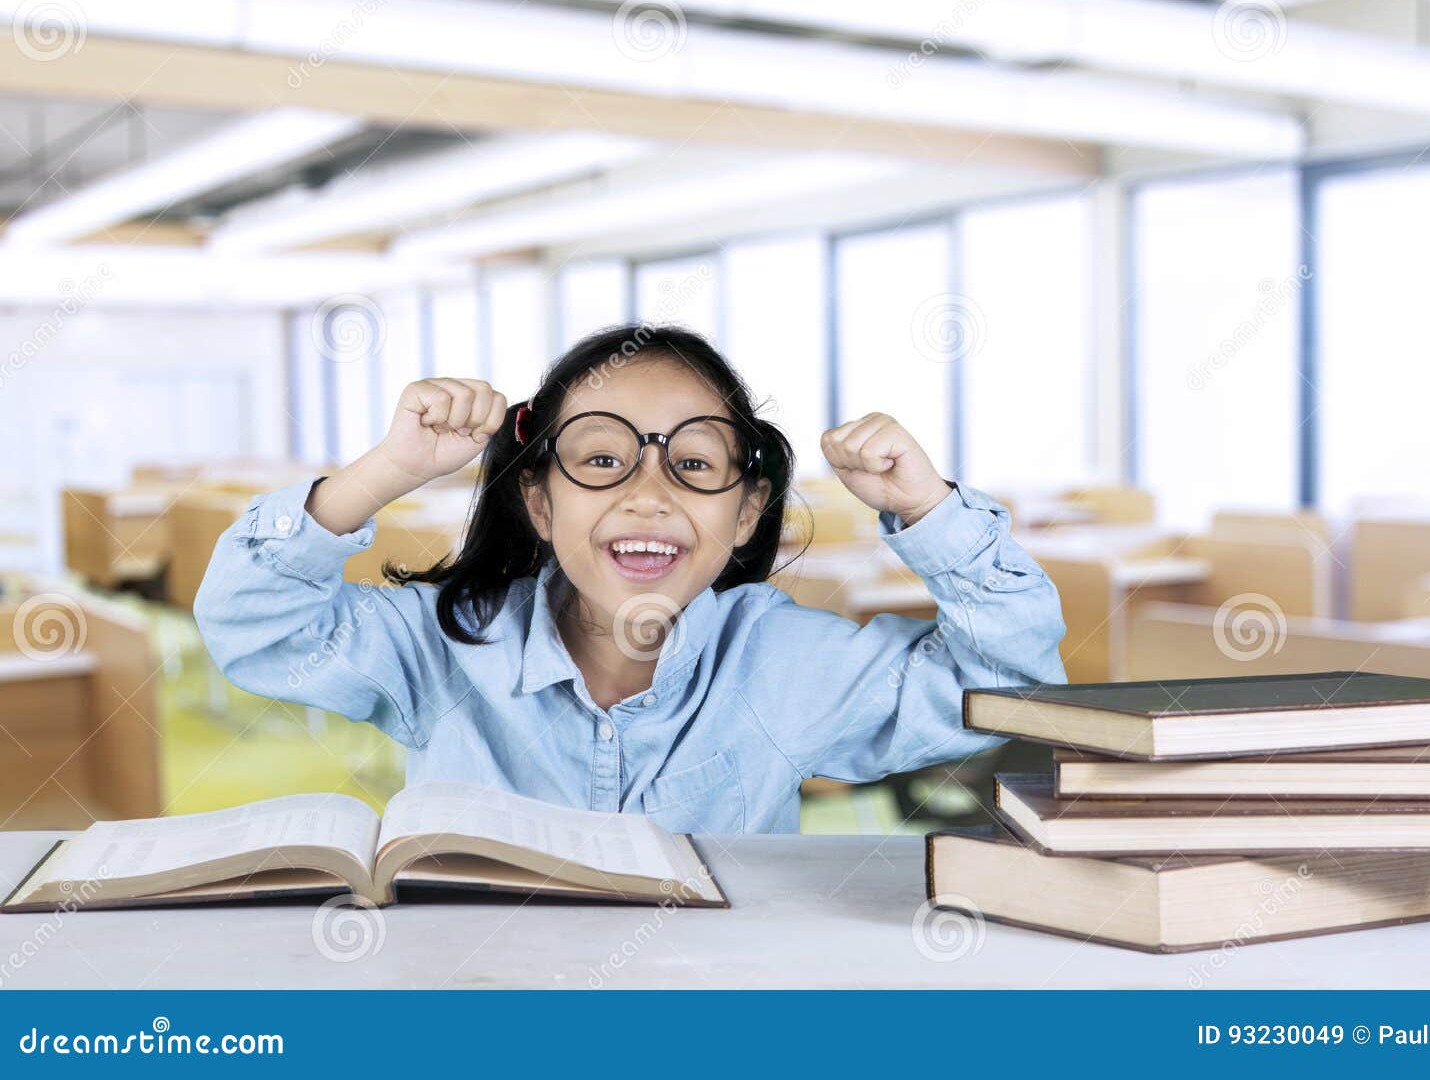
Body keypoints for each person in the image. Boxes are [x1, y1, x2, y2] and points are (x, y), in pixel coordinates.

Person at [194, 324, 1066, 832]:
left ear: (748, 512)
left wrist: (930, 510)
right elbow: (254, 627)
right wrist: (386, 469)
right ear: (538, 502)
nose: (649, 494)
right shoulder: (443, 644)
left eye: (693, 463)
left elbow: (1010, 685)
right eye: (602, 458)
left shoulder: (782, 661)